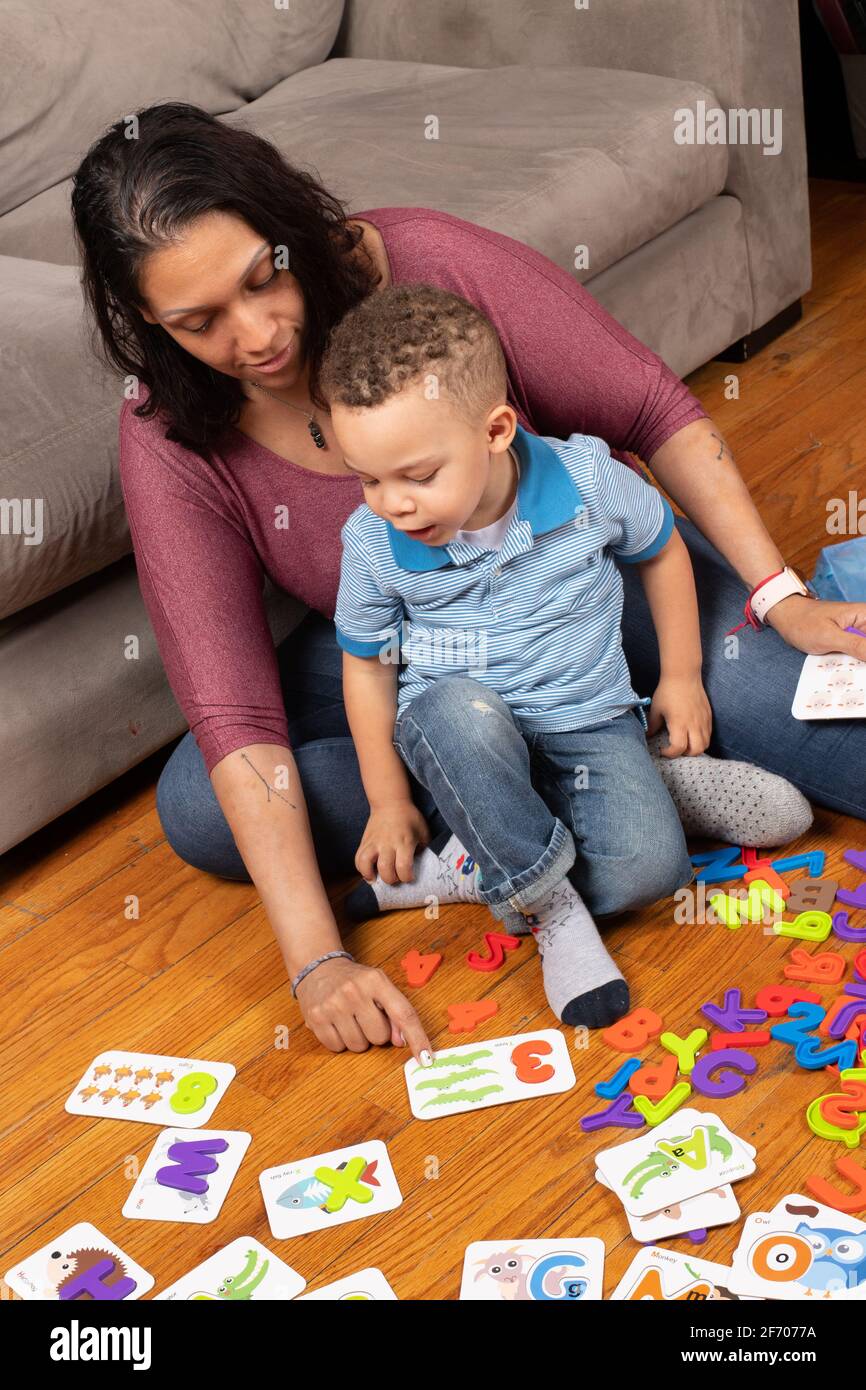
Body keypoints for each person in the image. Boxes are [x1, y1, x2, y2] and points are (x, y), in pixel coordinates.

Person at [70, 102, 859, 1058]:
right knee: (202, 803)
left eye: (261, 278)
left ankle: (580, 791)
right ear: (147, 324)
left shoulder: (431, 263)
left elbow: (652, 410)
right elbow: (233, 712)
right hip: (420, 648)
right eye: (200, 322)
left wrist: (781, 596)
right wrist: (318, 959)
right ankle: (620, 786)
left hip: (588, 589)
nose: (260, 333)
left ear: (286, 228)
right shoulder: (169, 432)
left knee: (821, 717)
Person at [322, 283, 814, 1029]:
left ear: (495, 431)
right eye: (368, 479)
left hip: (589, 722)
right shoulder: (372, 543)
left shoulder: (585, 480)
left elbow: (661, 550)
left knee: (651, 872)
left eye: (417, 476)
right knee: (458, 711)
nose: (392, 503)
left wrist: (680, 677)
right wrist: (389, 801)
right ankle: (551, 911)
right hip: (466, 741)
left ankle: (475, 865)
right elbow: (366, 663)